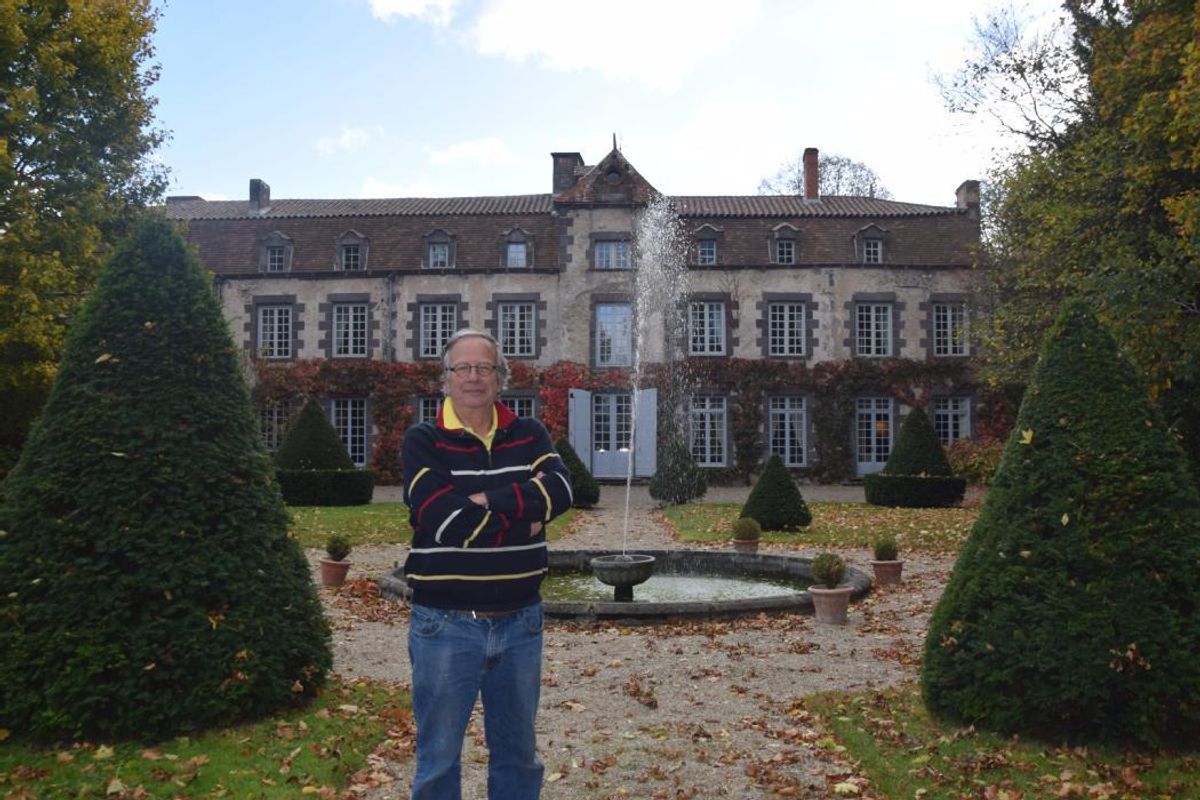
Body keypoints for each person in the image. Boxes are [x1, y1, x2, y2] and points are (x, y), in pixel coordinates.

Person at [401, 328, 573, 800]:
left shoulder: (529, 433)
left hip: (522, 624)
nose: (474, 377)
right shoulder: (424, 440)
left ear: (501, 378)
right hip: (445, 624)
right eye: (463, 368)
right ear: (446, 379)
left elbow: (561, 491)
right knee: (438, 762)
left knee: (518, 757)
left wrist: (482, 500)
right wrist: (526, 523)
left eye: (485, 368)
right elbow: (445, 519)